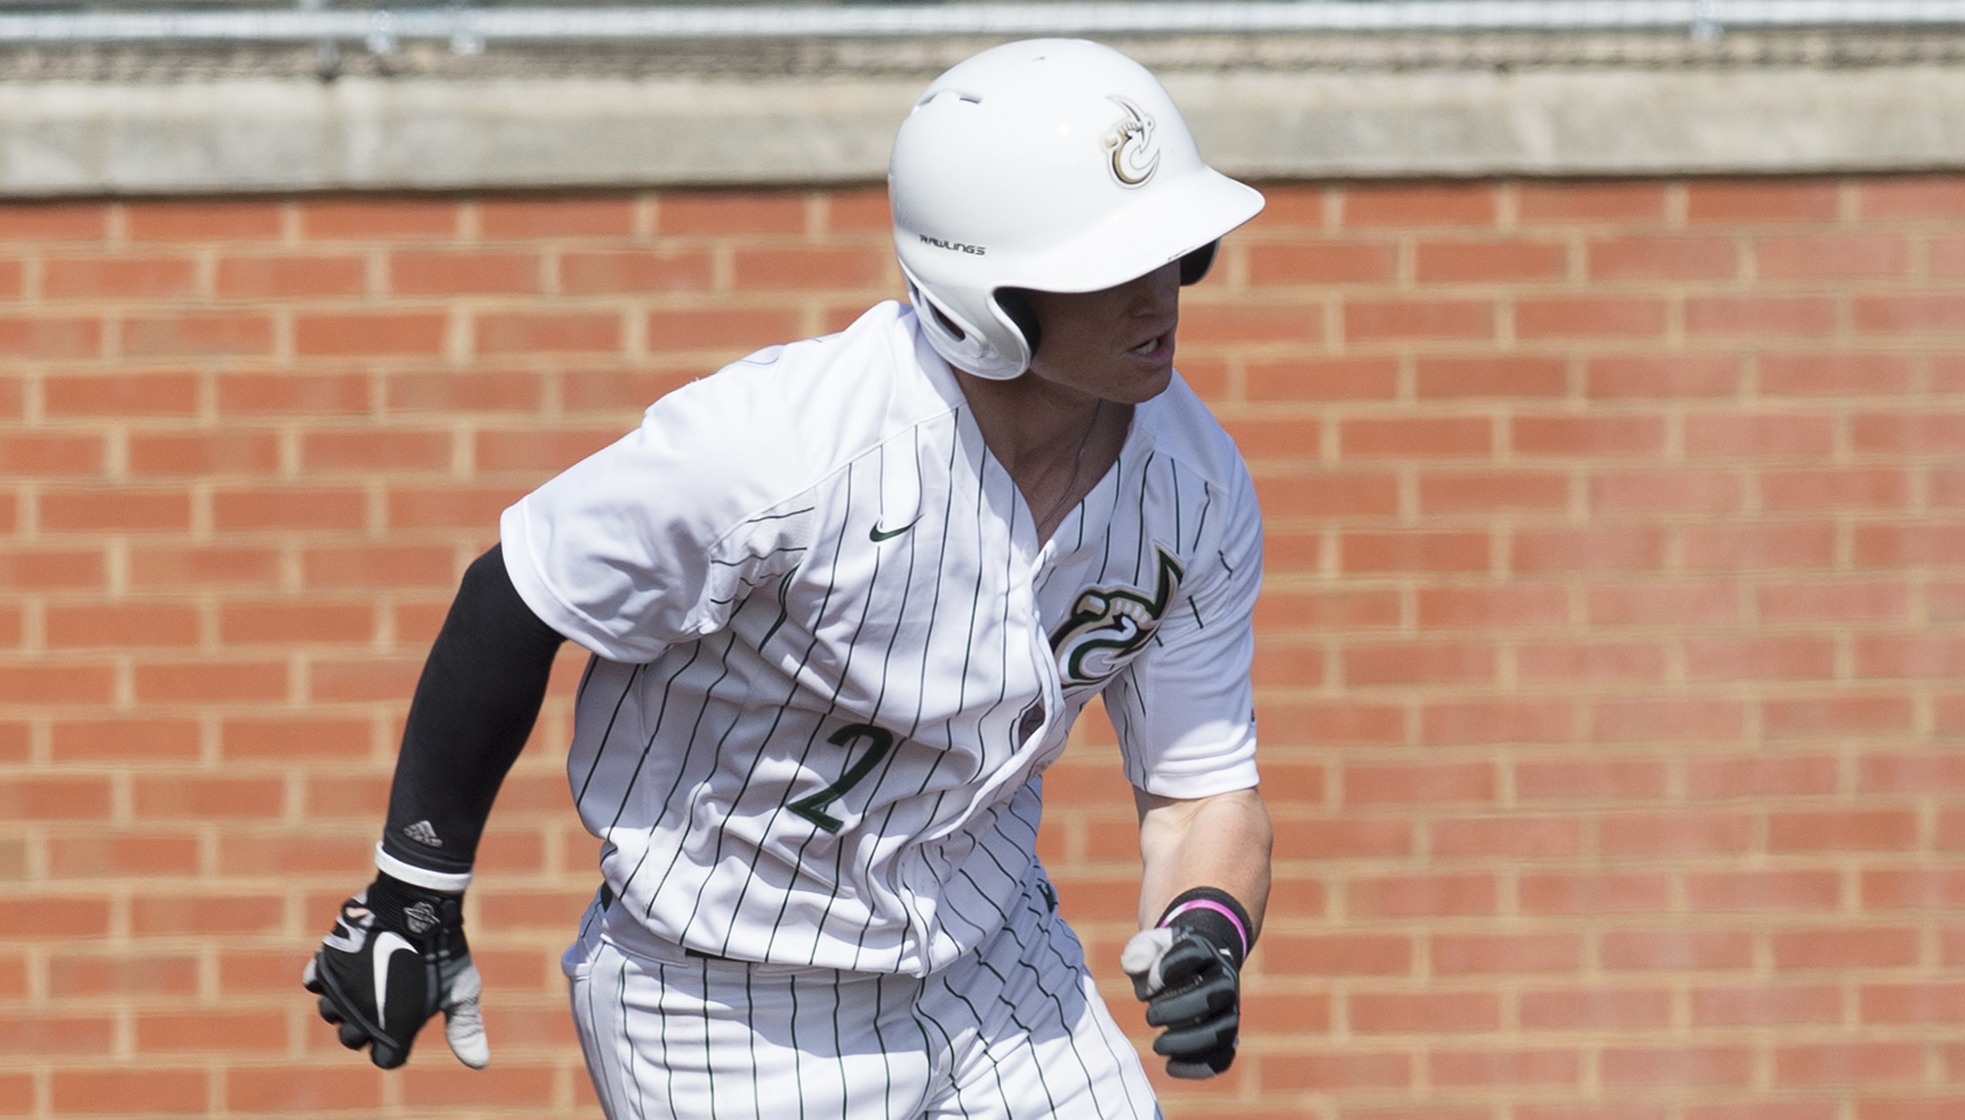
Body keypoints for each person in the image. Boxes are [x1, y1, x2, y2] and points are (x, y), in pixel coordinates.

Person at [303, 37, 1273, 1119]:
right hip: (726, 1003)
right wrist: (415, 893)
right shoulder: (777, 449)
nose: (1160, 296)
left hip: (998, 963)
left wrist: (1204, 923)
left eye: (1174, 251)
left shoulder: (1195, 485)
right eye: (1108, 265)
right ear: (983, 292)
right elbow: (518, 589)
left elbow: (1200, 798)